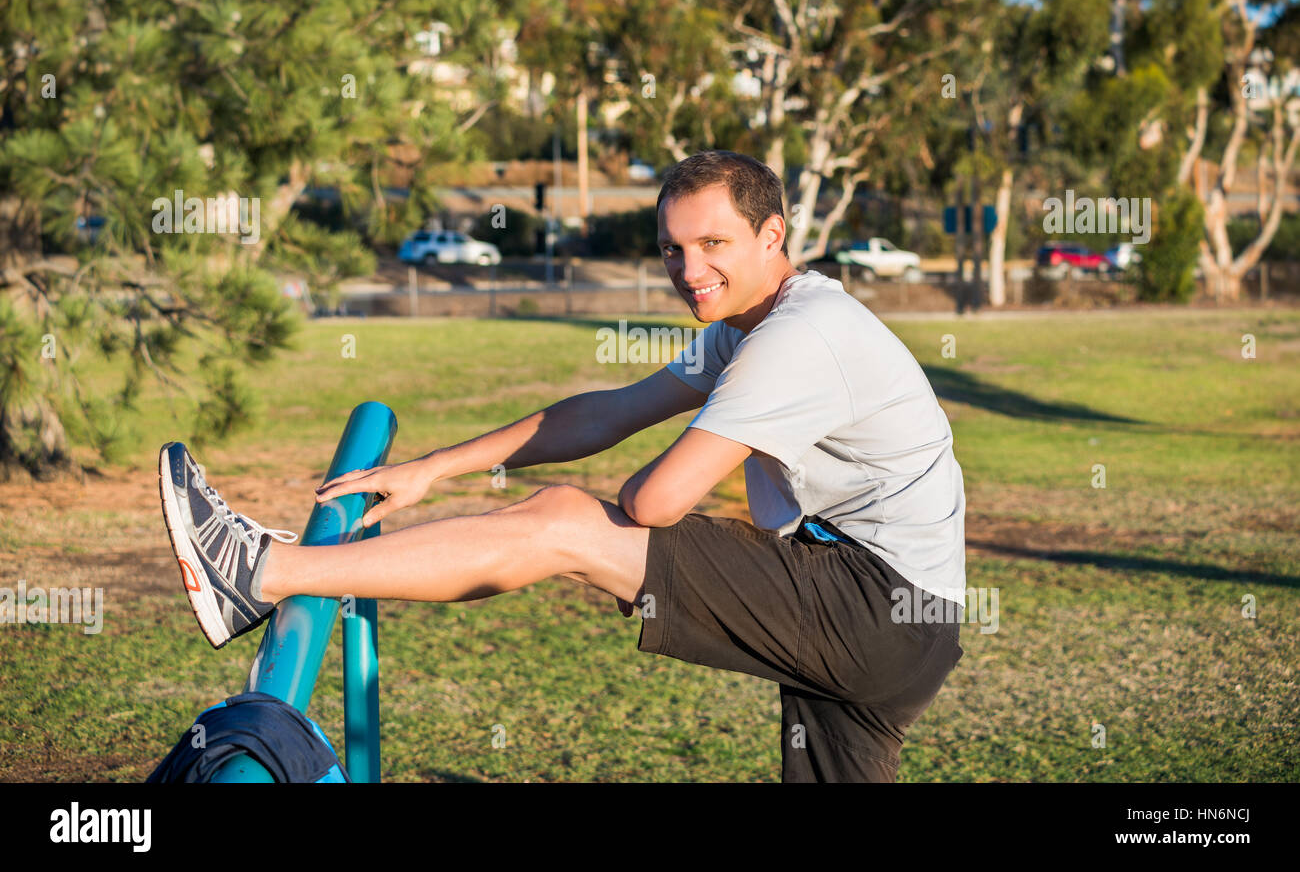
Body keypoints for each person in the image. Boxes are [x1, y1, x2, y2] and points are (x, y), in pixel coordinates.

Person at [158, 149, 966, 782]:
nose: (689, 271)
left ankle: (261, 572)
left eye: (712, 244)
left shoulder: (801, 334)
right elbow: (606, 410)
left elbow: (656, 501)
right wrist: (436, 468)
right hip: (903, 624)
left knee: (565, 524)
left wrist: (615, 511)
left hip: (876, 601)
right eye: (672, 249)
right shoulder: (745, 325)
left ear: (772, 236)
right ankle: (267, 573)